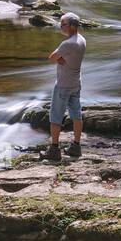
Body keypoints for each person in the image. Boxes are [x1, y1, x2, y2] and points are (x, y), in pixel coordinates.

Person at [46, 12, 86, 162]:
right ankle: (76, 146)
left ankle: (54, 150)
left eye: (62, 24)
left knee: (55, 116)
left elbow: (51, 58)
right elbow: (64, 58)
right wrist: (62, 59)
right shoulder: (82, 40)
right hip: (76, 83)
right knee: (76, 113)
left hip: (63, 85)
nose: (60, 26)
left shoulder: (67, 44)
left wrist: (60, 59)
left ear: (70, 26)